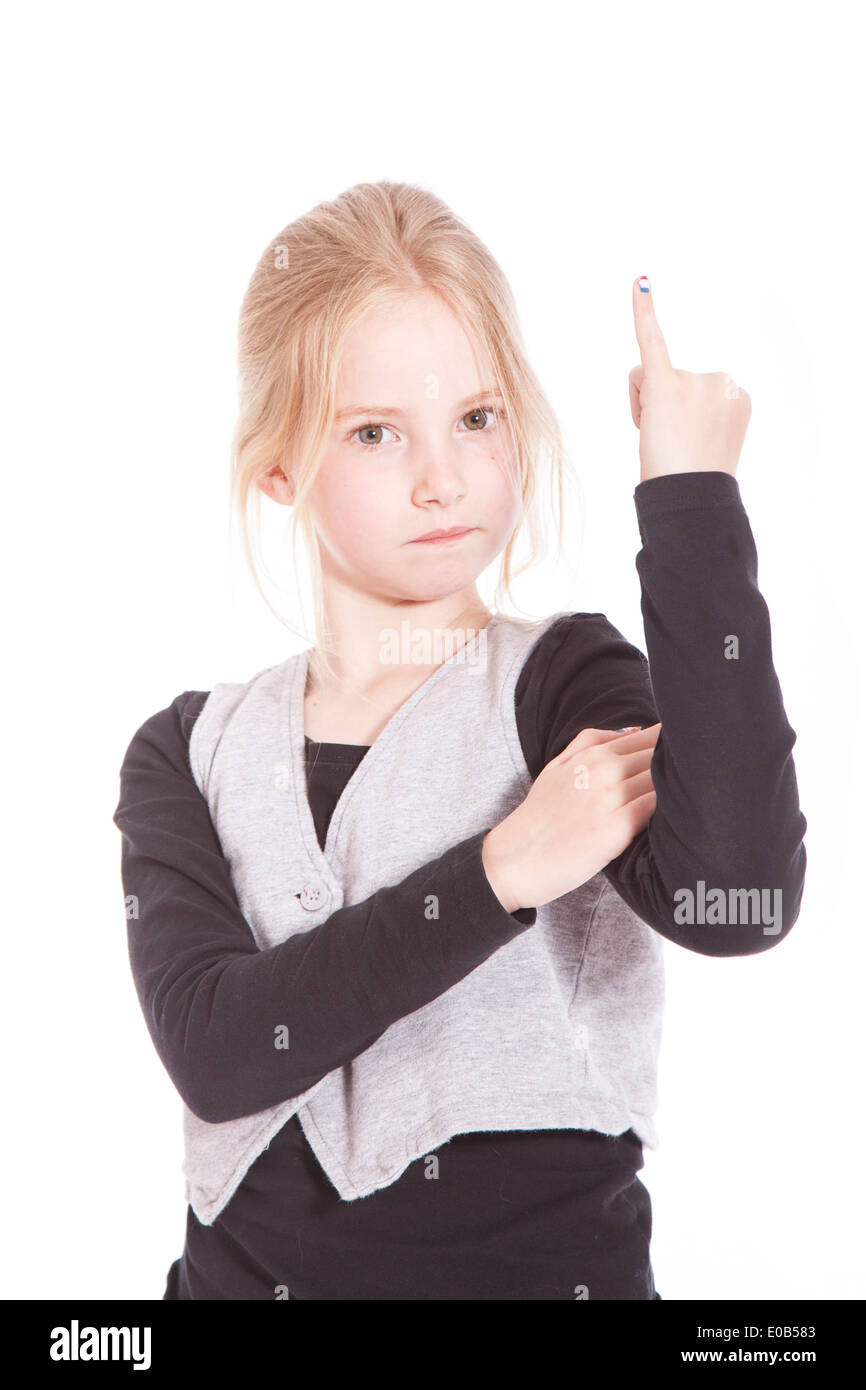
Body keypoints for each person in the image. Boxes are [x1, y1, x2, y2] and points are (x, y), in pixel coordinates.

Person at [112, 181, 806, 1300]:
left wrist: (689, 498)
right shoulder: (184, 749)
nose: (443, 479)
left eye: (476, 419)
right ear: (279, 464)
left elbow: (742, 897)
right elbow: (219, 1050)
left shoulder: (561, 686)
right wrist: (504, 867)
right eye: (376, 432)